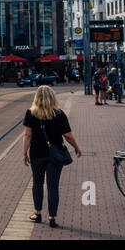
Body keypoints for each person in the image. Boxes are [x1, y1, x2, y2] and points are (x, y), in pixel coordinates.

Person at [21, 85, 82, 227]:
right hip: (55, 155)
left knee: (37, 183)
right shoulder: (59, 114)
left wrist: (24, 153)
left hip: (37, 154)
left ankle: (37, 213)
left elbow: (27, 135)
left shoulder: (31, 113)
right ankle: (52, 217)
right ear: (52, 97)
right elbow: (67, 135)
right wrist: (76, 148)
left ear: (37, 98)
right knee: (53, 186)